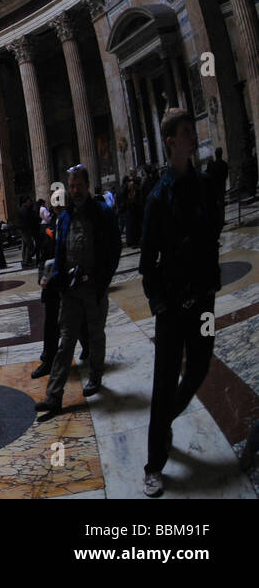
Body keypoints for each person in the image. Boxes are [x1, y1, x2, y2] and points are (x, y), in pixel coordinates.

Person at [139, 109, 223, 497]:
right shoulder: (157, 198)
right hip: (172, 309)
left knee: (202, 362)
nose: (194, 137)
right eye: (187, 132)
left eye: (193, 131)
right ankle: (154, 465)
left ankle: (167, 416)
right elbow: (146, 262)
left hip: (203, 302)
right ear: (171, 141)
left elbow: (213, 232)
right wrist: (159, 304)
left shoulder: (206, 185)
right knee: (163, 380)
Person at [36, 165, 121, 413]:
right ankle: (54, 395)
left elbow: (113, 249)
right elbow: (60, 250)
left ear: (87, 185)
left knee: (95, 335)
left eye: (78, 185)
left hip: (93, 285)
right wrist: (60, 281)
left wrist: (104, 280)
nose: (75, 190)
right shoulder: (65, 218)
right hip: (70, 289)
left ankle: (95, 376)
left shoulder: (102, 213)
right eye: (71, 186)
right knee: (65, 342)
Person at [17, 196, 39, 268]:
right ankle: (26, 261)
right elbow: (29, 219)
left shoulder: (22, 208)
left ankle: (25, 260)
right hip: (25, 230)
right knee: (29, 245)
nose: (30, 202)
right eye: (29, 201)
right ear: (26, 201)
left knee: (25, 245)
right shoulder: (25, 209)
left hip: (23, 229)